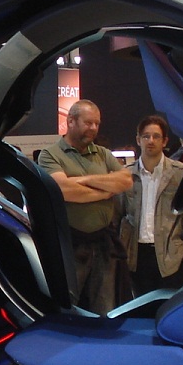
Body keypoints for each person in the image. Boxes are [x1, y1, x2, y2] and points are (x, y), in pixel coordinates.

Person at [36, 99, 134, 313]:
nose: (94, 128)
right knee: (68, 303)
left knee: (105, 305)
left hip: (104, 243)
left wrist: (80, 180)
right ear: (70, 121)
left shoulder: (103, 153)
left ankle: (99, 344)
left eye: (97, 124)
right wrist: (106, 189)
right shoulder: (50, 155)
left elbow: (126, 181)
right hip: (71, 245)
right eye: (88, 123)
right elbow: (63, 190)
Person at [121, 114, 183, 297]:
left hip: (172, 257)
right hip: (136, 256)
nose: (151, 141)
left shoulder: (180, 174)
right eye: (146, 136)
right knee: (141, 310)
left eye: (156, 136)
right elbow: (119, 215)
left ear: (165, 140)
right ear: (138, 139)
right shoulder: (126, 175)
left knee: (171, 309)